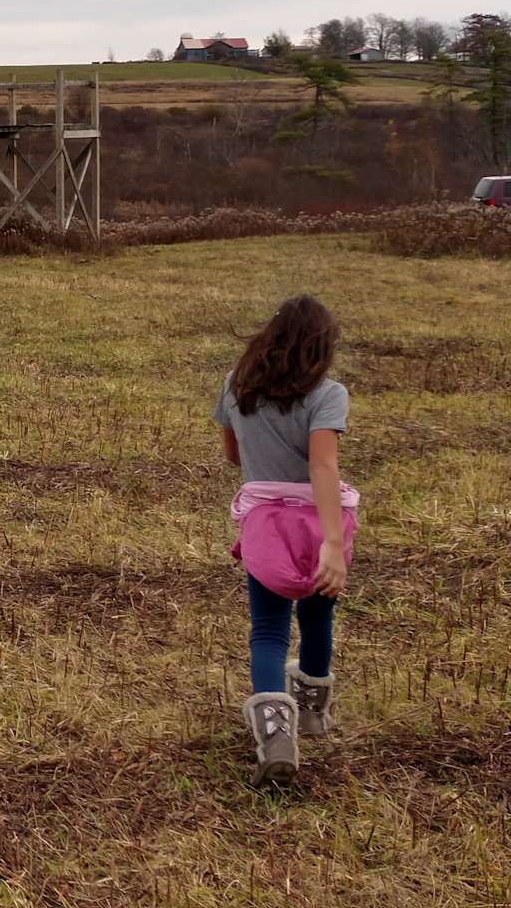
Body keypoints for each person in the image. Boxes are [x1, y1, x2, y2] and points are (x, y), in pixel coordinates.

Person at [213, 294, 359, 787]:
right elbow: (322, 466)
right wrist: (333, 545)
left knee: (269, 629)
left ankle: (275, 734)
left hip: (265, 521)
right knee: (318, 615)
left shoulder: (236, 387)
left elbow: (233, 456)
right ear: (321, 347)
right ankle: (314, 714)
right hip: (317, 521)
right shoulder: (328, 394)